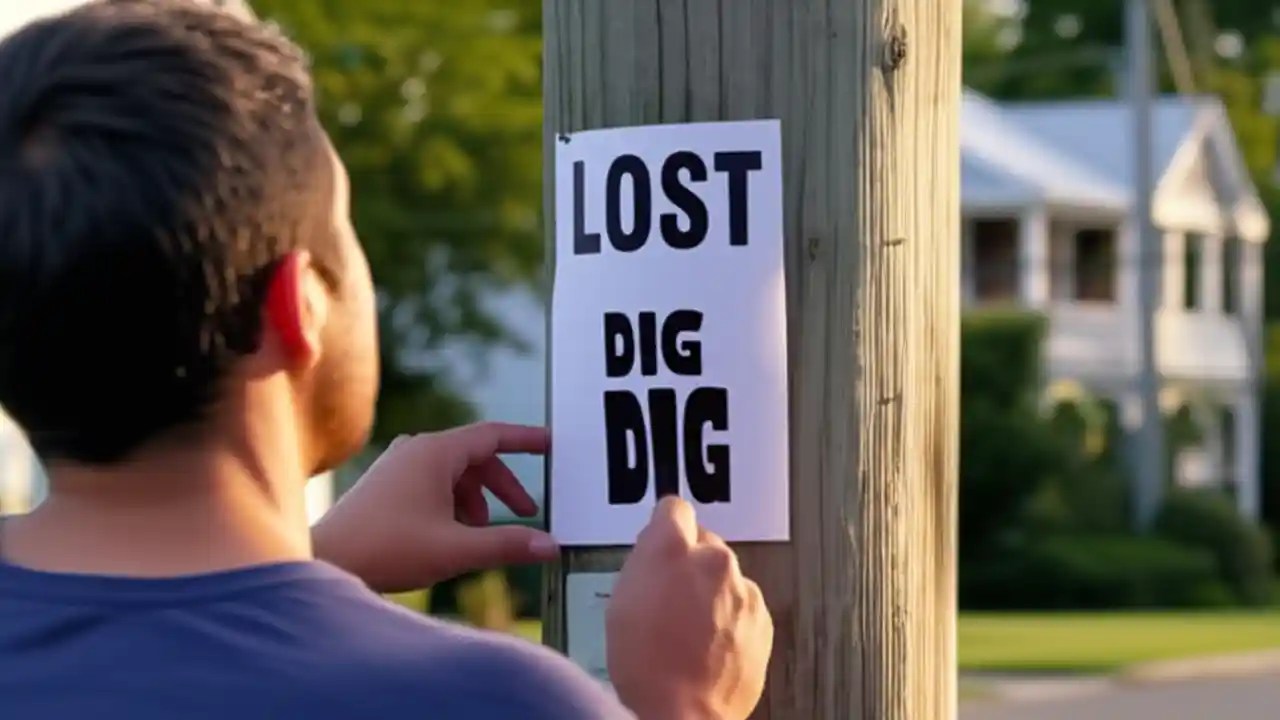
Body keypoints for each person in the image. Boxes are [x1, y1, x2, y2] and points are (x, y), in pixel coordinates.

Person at [0, 1, 774, 719]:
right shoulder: (491, 702)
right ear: (298, 305)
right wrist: (684, 706)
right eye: (345, 224)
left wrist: (322, 559)